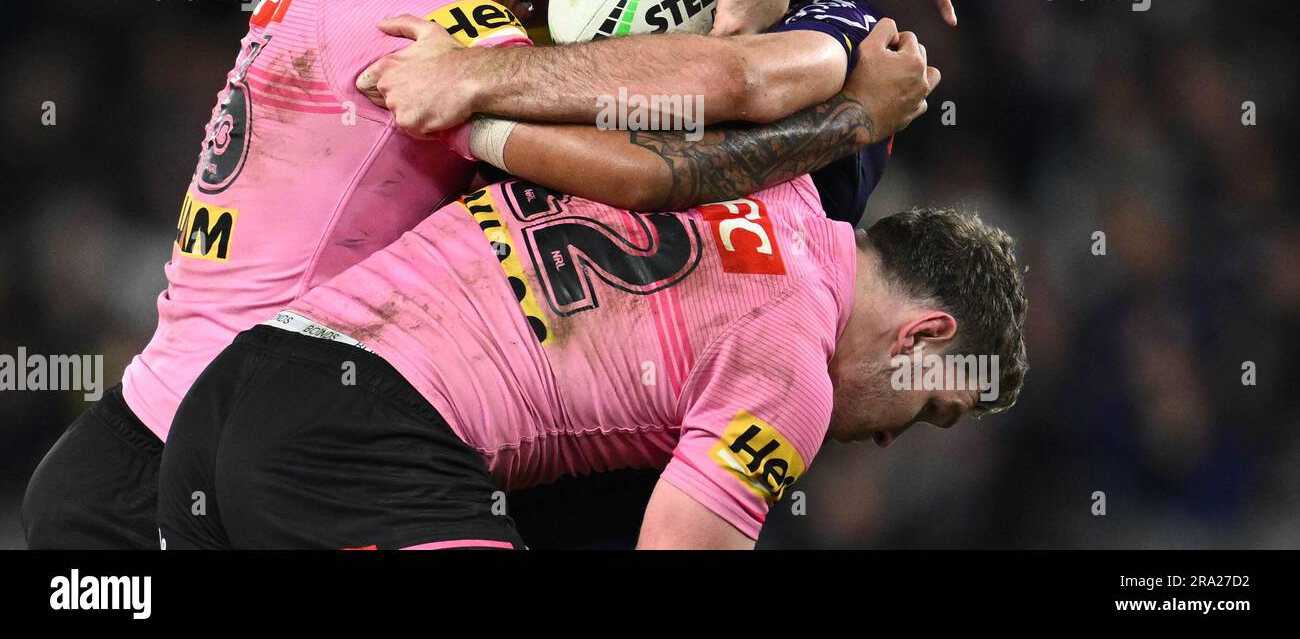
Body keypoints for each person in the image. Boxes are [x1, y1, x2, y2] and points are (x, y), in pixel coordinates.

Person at [22, 0, 934, 549]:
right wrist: (842, 91)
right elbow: (651, 153)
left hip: (160, 424)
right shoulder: (424, 27)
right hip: (219, 447)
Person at [156, 170, 1027, 550]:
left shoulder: (772, 166)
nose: (890, 439)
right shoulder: (792, 369)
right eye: (928, 409)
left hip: (237, 386)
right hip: (365, 442)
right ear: (923, 336)